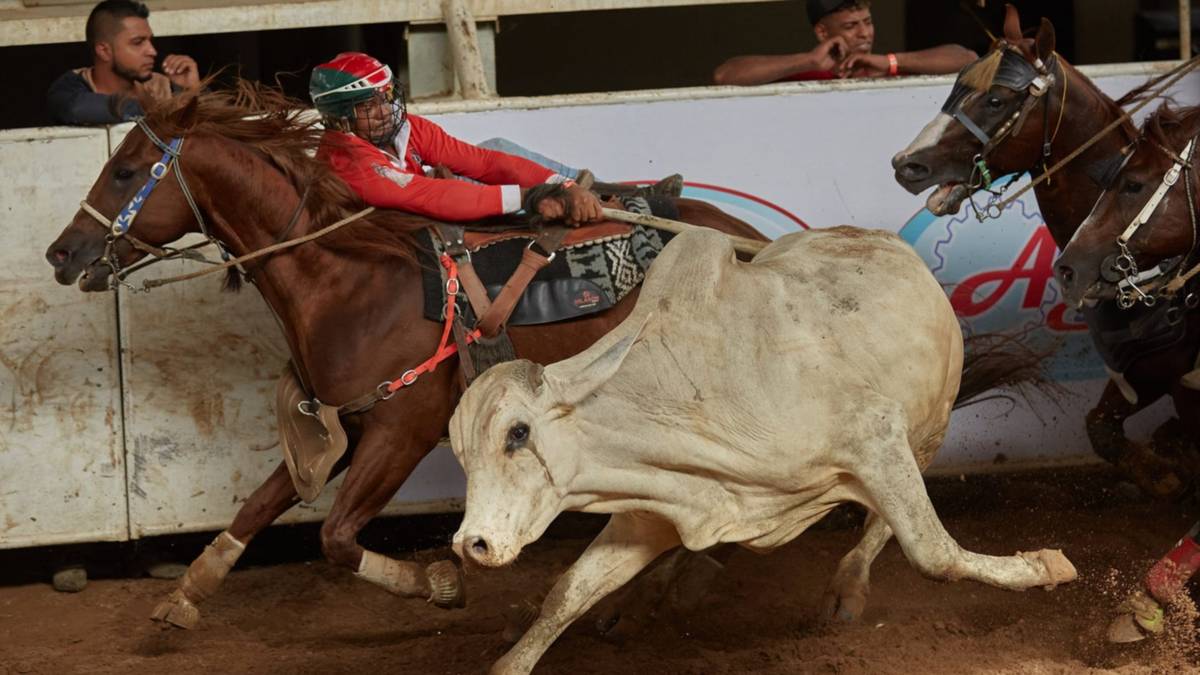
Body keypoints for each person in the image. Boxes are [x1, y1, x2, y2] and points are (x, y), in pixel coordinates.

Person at [309, 52, 602, 225]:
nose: (385, 111)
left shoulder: (407, 129)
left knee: (494, 147)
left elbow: (483, 162)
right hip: (396, 240)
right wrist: (531, 196)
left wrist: (561, 186)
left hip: (425, 206)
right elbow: (429, 196)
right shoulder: (346, 160)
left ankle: (580, 184)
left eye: (385, 98)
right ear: (339, 118)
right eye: (368, 106)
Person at [713, 0, 976, 86]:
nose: (865, 33)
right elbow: (725, 74)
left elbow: (967, 58)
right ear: (823, 32)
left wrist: (890, 62)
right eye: (851, 26)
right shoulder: (807, 71)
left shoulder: (887, 66)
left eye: (868, 22)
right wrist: (808, 60)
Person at [46, 0, 199, 125]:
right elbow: (78, 109)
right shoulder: (70, 89)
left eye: (150, 41)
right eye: (138, 42)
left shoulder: (161, 85)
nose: (152, 51)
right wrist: (167, 108)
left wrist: (189, 91)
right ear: (104, 51)